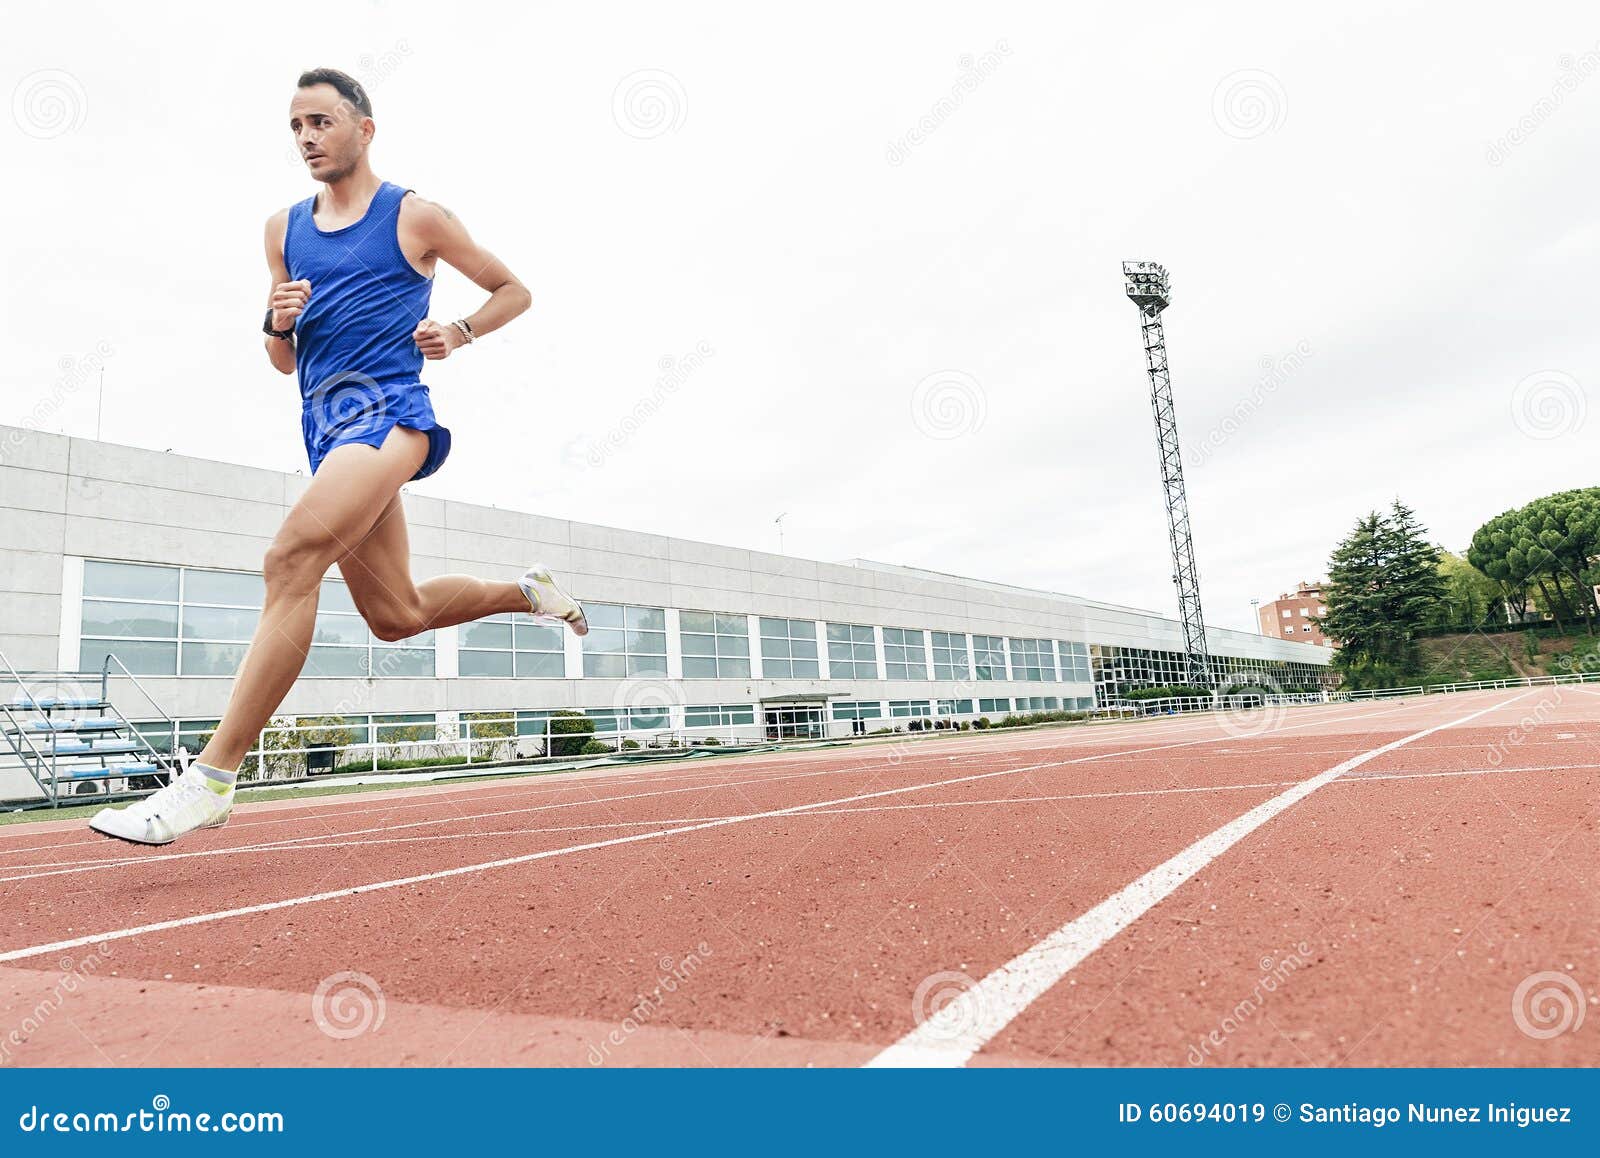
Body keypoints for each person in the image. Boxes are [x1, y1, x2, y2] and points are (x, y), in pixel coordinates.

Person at [90, 68, 587, 845]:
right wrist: (278, 321)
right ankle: (526, 593)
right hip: (324, 429)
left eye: (321, 122)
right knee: (397, 615)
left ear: (364, 129)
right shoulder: (281, 229)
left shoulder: (415, 215)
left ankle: (211, 779)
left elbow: (512, 290)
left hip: (391, 416)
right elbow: (282, 362)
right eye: (296, 126)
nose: (306, 138)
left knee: (290, 559)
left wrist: (459, 331)